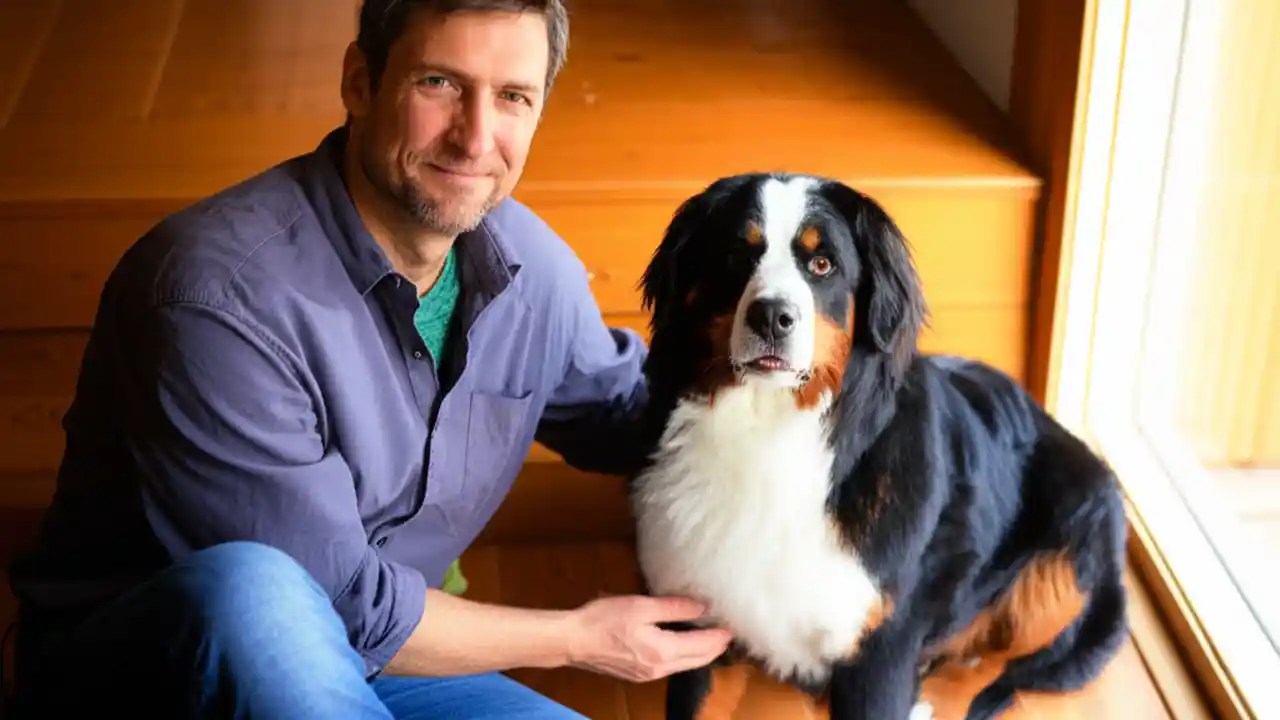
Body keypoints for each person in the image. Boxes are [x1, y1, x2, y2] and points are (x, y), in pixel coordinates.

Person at [3, 1, 734, 717]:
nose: (475, 138)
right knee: (255, 591)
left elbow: (639, 418)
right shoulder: (213, 301)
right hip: (164, 675)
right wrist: (577, 638)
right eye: (439, 83)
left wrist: (776, 355)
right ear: (359, 81)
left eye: (512, 97)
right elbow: (340, 602)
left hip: (397, 661)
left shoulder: (534, 272)